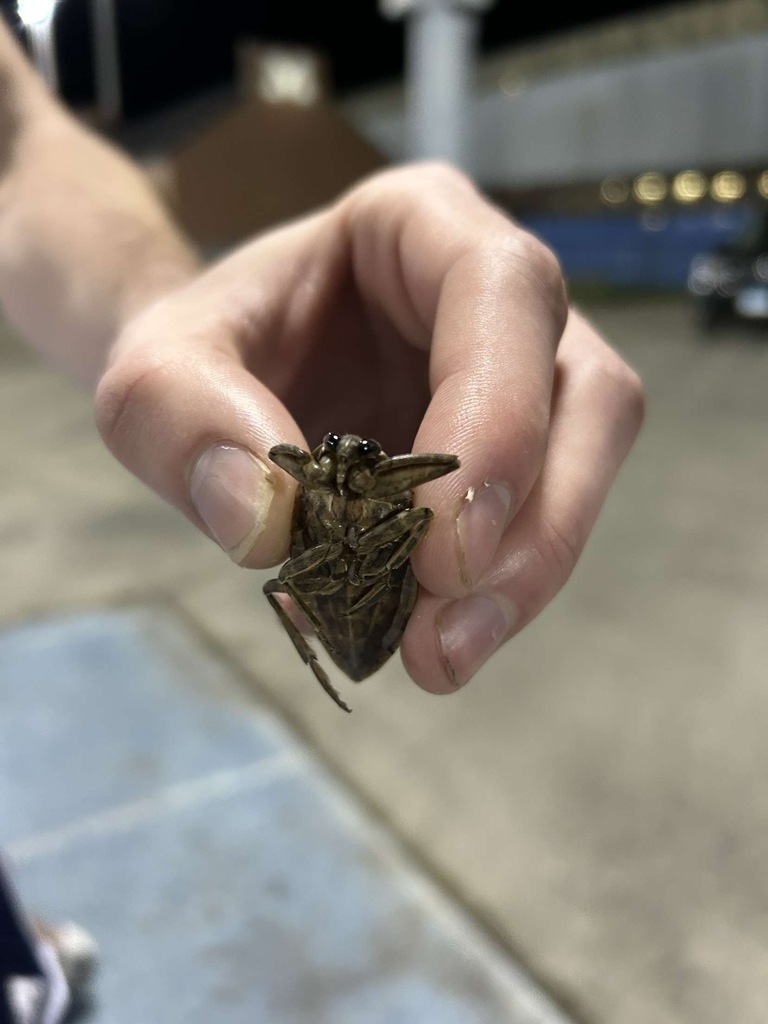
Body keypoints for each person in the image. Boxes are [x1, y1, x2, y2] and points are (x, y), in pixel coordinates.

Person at [0, 14, 644, 1021]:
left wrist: (194, 333)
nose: (341, 467)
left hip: (362, 606)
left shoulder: (348, 490)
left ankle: (25, 966)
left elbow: (17, 144)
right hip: (351, 611)